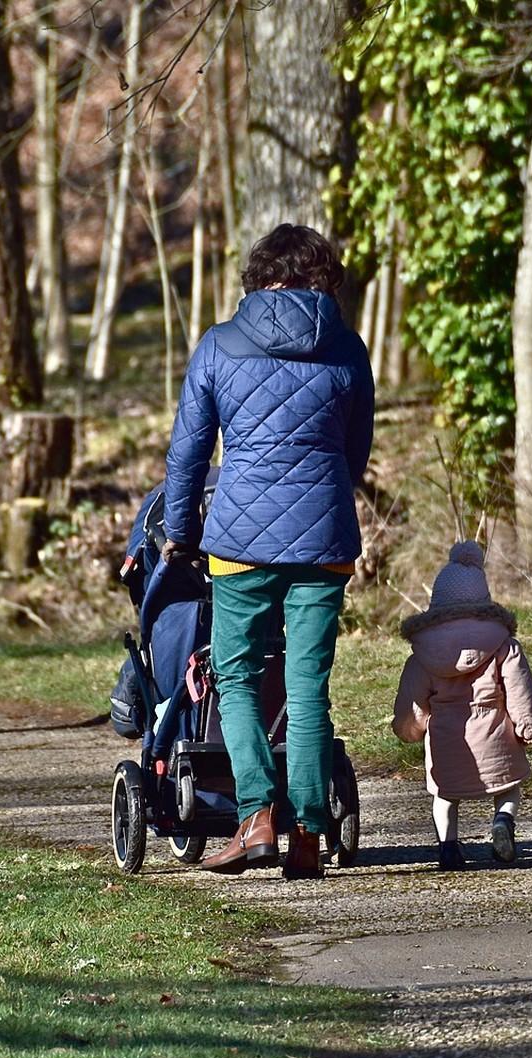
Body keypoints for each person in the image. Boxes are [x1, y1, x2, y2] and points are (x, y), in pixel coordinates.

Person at [162, 223, 375, 880]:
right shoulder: (345, 346)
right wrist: (328, 498)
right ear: (322, 279)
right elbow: (355, 450)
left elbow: (190, 452)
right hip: (323, 537)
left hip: (240, 541)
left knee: (237, 678)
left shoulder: (221, 345)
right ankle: (308, 832)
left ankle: (255, 818)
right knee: (307, 687)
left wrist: (179, 530)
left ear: (255, 278)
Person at [392, 541, 532, 870]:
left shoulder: (423, 654)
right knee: (508, 788)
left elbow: (413, 702)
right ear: (484, 599)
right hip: (496, 735)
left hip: (448, 740)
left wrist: (409, 728)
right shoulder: (503, 645)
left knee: (445, 796)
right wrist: (527, 725)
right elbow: (519, 688)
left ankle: (448, 848)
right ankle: (503, 821)